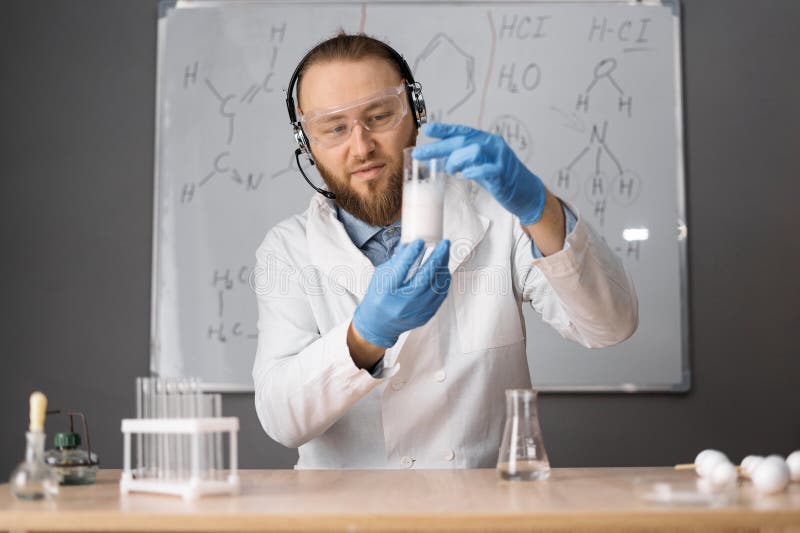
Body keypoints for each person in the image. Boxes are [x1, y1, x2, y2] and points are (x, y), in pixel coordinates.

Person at [252, 33, 638, 469]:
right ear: (308, 144)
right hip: (346, 515)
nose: (361, 148)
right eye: (334, 128)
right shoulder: (287, 251)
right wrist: (364, 335)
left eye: (379, 116)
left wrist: (540, 207)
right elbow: (280, 419)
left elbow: (610, 325)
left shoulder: (499, 216)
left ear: (415, 113)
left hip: (481, 513)